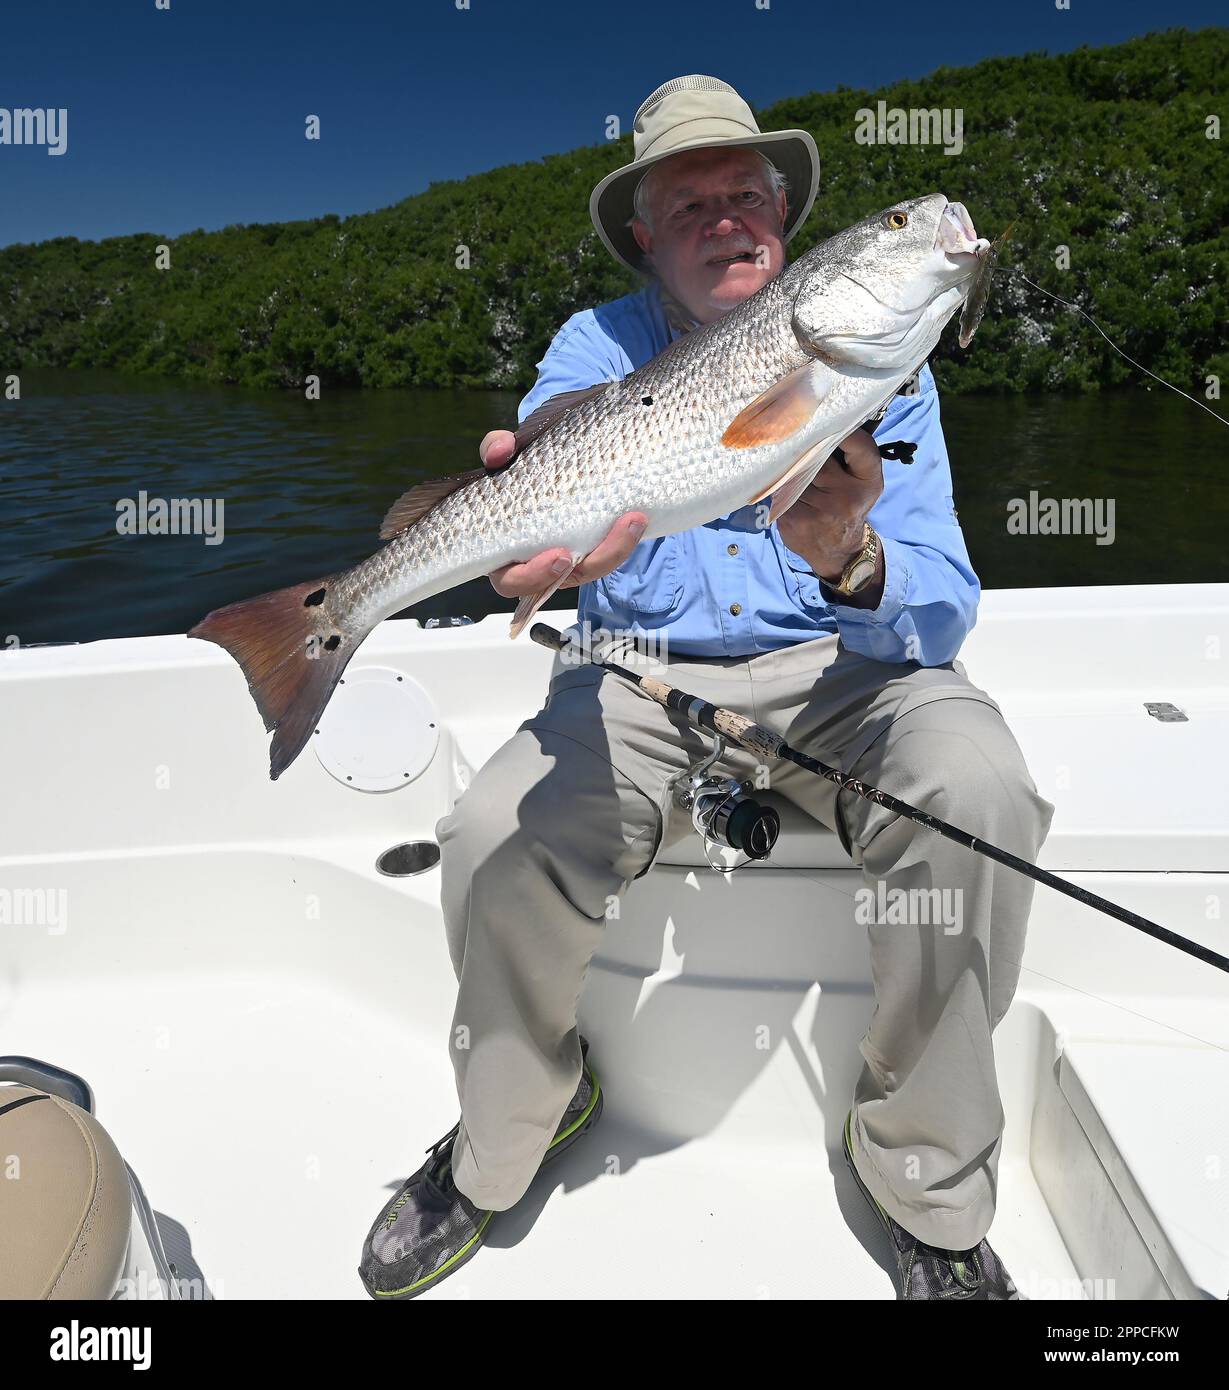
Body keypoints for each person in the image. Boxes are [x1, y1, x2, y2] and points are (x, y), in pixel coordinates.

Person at [358, 74, 1054, 1301]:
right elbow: (551, 509)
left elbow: (942, 605)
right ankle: (506, 1135)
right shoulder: (595, 348)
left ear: (786, 223)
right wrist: (521, 556)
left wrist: (852, 551)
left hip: (850, 670)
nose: (727, 218)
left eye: (749, 195)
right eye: (691, 206)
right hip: (637, 680)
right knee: (488, 830)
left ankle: (923, 1184)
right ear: (643, 234)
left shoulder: (894, 370)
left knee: (979, 788)